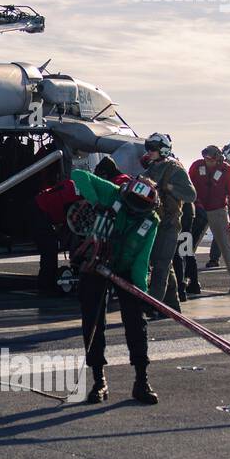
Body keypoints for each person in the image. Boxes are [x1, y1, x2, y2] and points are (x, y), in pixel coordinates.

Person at [70, 170, 161, 404]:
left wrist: (143, 292)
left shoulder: (151, 222)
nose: (132, 211)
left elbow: (142, 259)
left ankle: (142, 380)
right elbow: (78, 174)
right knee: (93, 321)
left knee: (135, 322)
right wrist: (96, 202)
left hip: (126, 271)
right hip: (96, 263)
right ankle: (99, 380)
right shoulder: (112, 193)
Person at [139, 133, 196, 315]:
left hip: (169, 224)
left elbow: (191, 195)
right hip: (154, 222)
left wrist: (169, 187)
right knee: (160, 263)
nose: (149, 152)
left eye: (153, 149)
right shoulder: (151, 169)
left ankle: (154, 306)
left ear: (163, 149)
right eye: (148, 149)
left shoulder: (175, 169)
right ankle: (172, 304)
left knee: (161, 266)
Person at [189, 145, 230, 294]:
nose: (208, 162)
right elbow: (188, 186)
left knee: (227, 247)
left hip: (219, 211)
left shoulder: (227, 170)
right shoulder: (196, 166)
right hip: (198, 210)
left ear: (218, 158)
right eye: (205, 159)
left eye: (211, 159)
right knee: (188, 246)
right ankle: (188, 280)